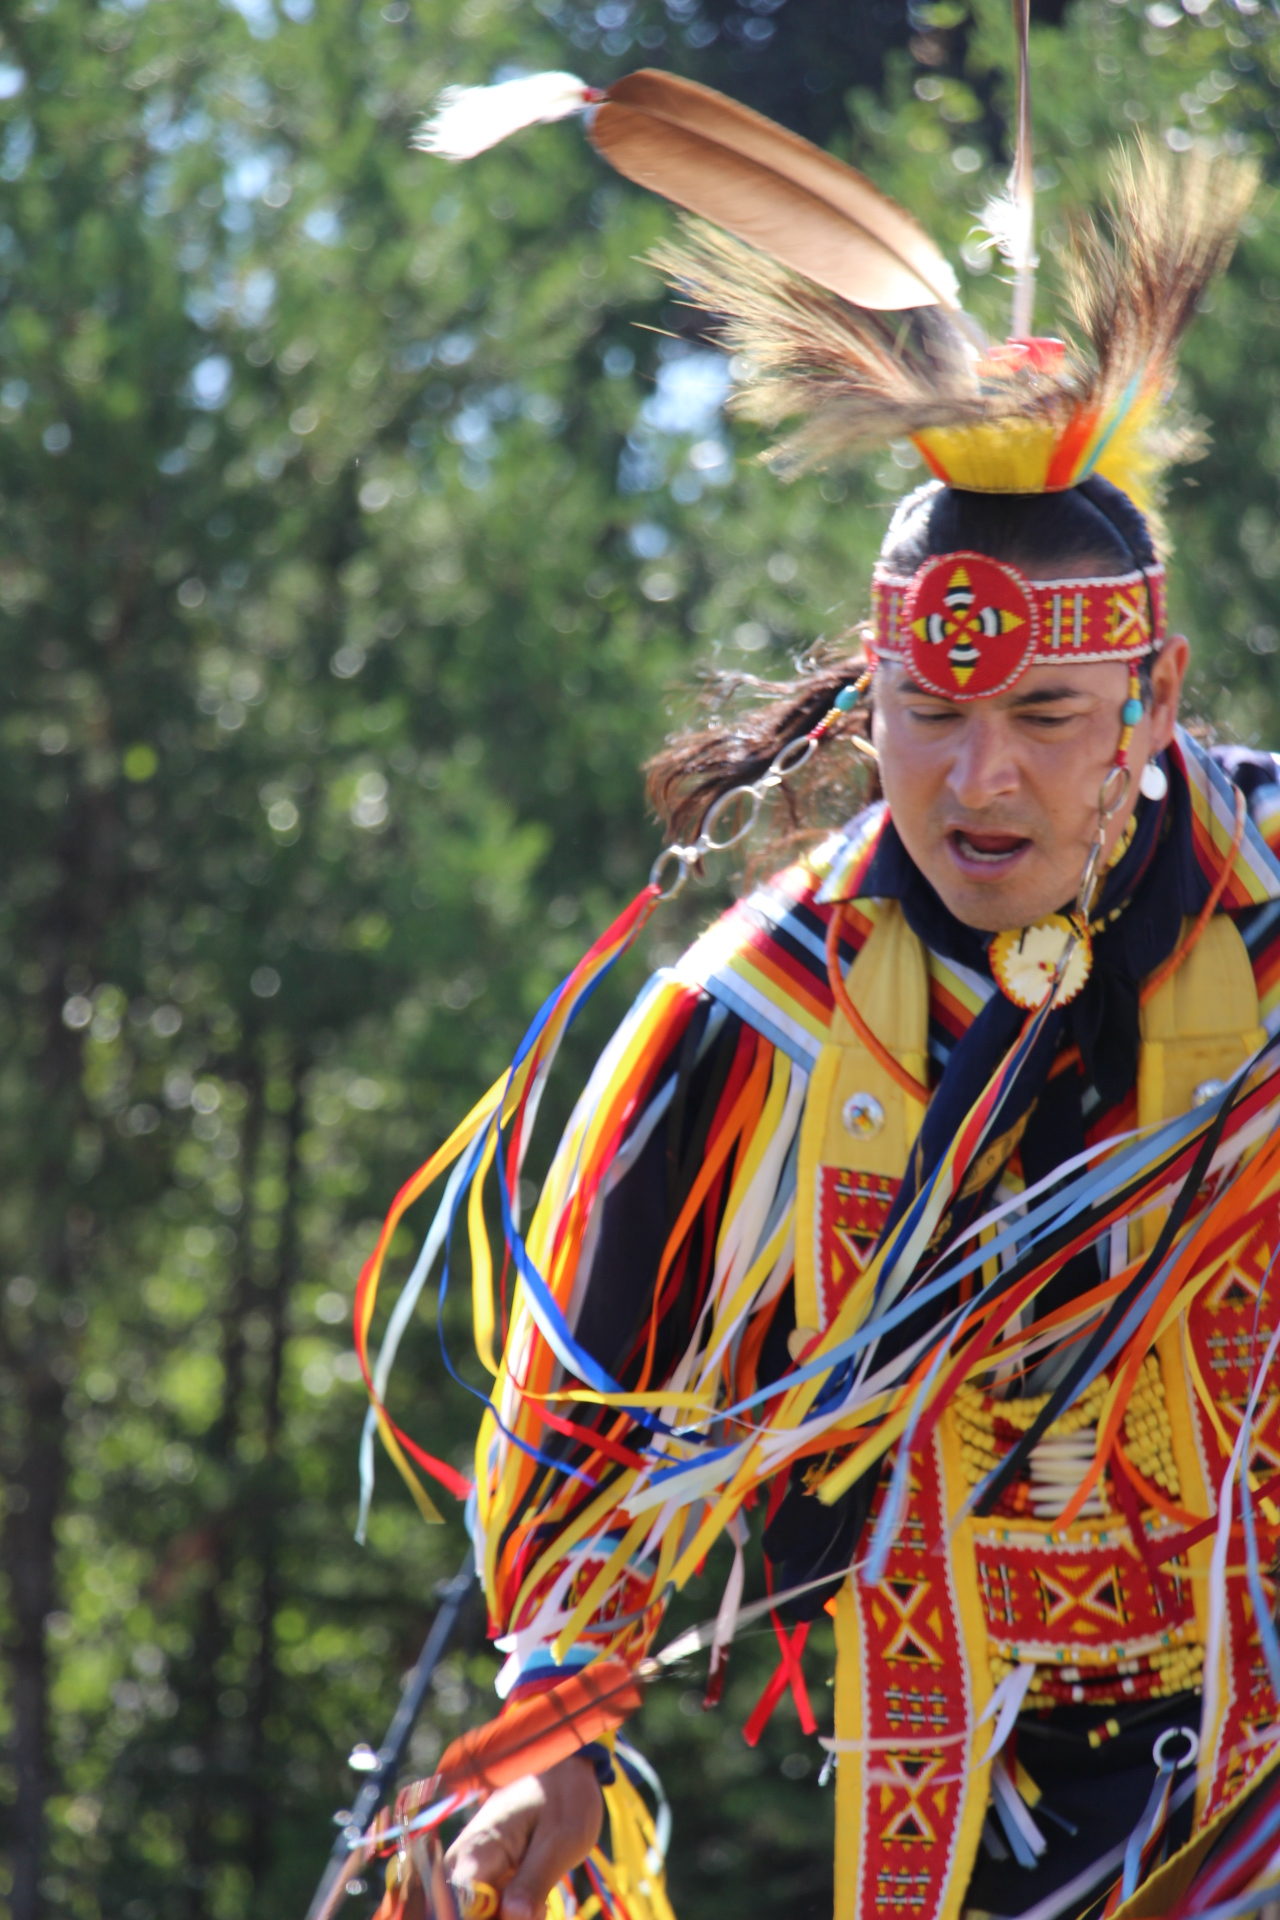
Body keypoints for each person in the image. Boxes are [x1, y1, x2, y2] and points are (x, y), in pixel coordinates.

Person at [357, 70, 1280, 1920]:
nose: (980, 782)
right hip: (969, 1776)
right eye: (929, 717)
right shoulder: (756, 1018)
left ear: (1156, 698)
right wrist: (556, 1739)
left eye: (1046, 718)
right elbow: (595, 1404)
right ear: (871, 701)